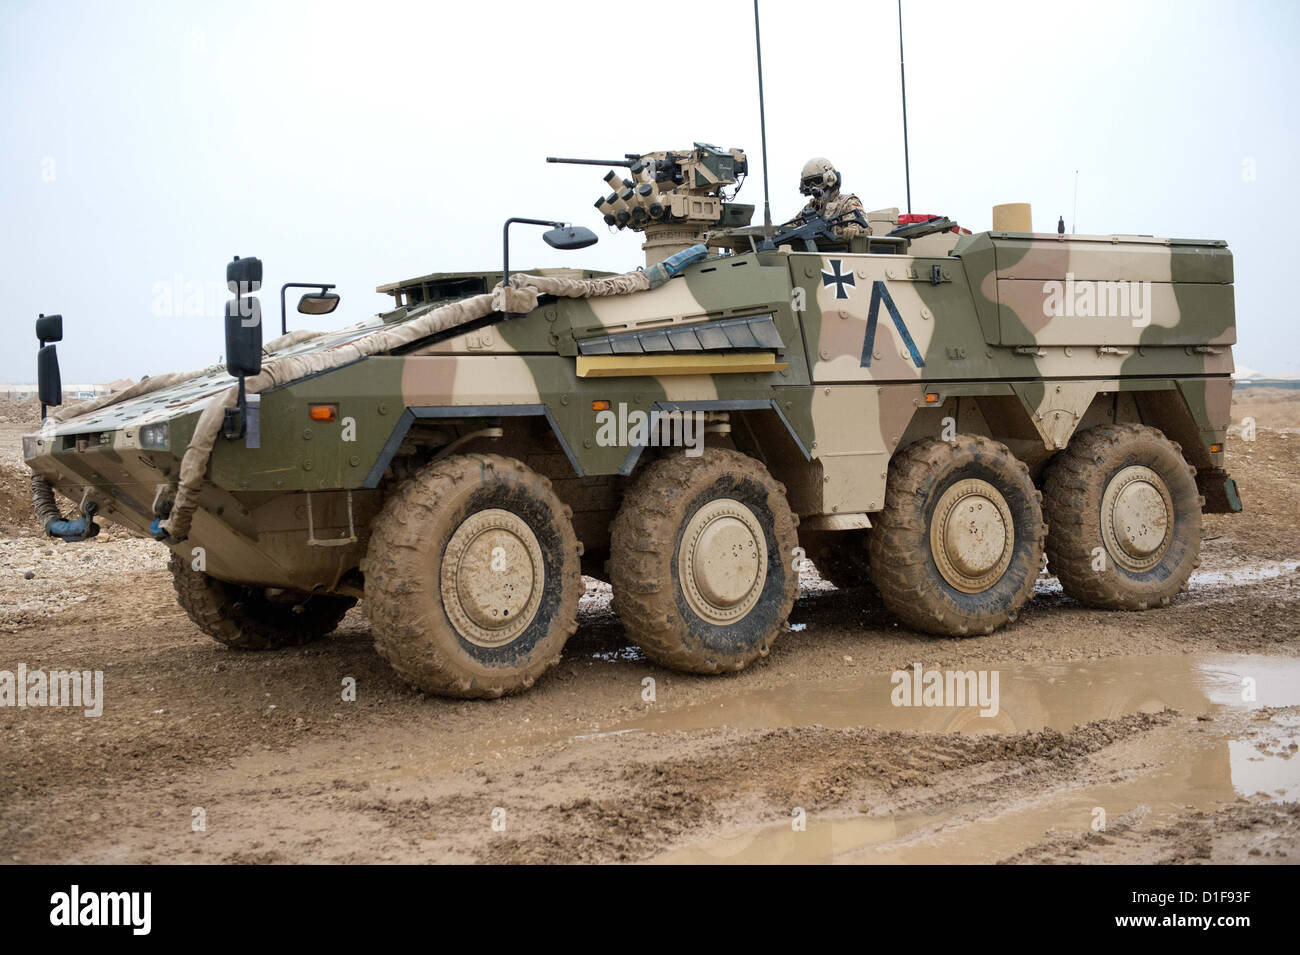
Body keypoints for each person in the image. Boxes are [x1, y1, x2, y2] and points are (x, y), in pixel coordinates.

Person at [785, 157, 866, 240]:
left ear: (829, 178)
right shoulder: (808, 209)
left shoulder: (847, 202)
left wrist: (854, 229)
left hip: (838, 247)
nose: (812, 186)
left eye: (817, 180)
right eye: (808, 182)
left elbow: (864, 226)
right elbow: (789, 228)